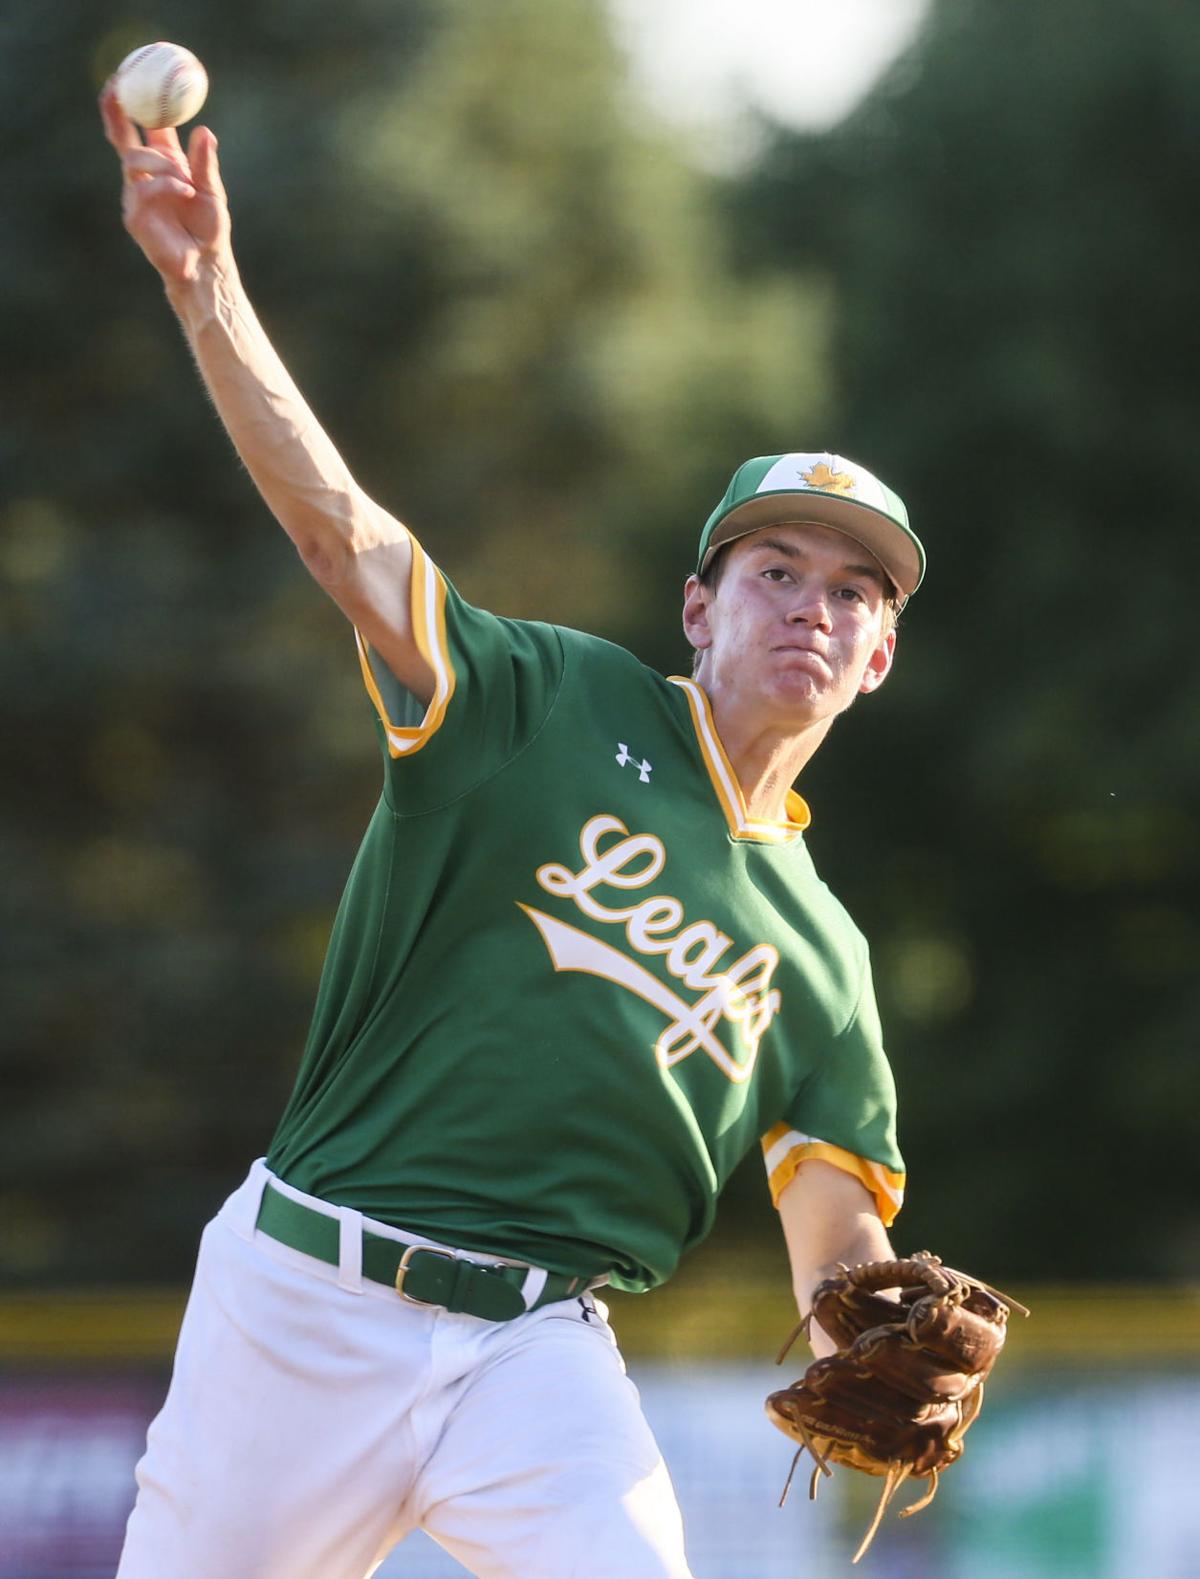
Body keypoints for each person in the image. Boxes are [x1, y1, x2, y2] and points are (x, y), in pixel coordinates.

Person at [101, 82, 925, 1579]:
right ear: (699, 607)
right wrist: (204, 285)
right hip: (304, 1300)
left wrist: (882, 1333)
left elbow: (833, 1250)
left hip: (537, 1352)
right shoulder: (539, 698)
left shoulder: (826, 961)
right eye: (776, 569)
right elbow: (341, 533)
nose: (815, 604)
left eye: (856, 593)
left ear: (879, 658)